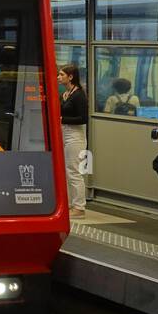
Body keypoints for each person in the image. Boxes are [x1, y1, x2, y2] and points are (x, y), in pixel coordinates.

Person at [58, 64, 88, 217]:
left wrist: (62, 119)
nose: (58, 77)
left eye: (62, 75)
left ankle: (79, 207)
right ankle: (70, 204)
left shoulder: (79, 95)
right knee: (66, 171)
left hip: (75, 136)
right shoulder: (66, 94)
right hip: (66, 133)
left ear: (70, 77)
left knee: (74, 171)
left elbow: (83, 118)